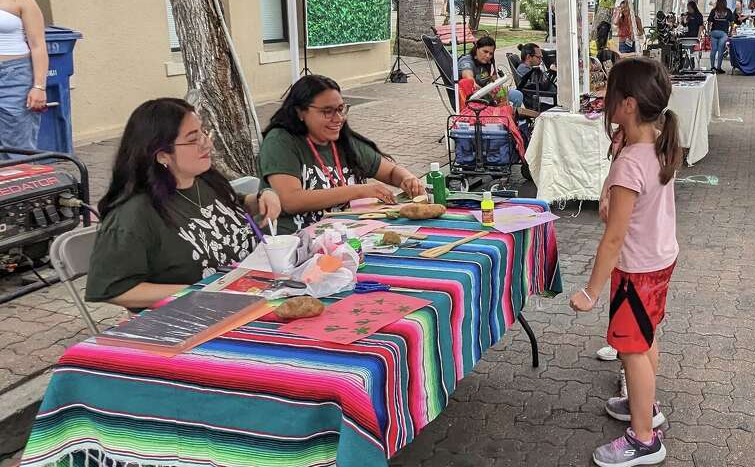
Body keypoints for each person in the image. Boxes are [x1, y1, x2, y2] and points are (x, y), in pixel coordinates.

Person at [568, 57, 681, 467]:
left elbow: (613, 238)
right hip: (660, 260)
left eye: (610, 92)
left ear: (629, 104)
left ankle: (644, 438)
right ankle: (643, 405)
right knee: (645, 339)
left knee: (632, 349)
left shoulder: (631, 162)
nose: (603, 98)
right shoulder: (657, 144)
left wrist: (591, 291)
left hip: (636, 271)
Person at [86, 98, 282, 309]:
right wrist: (197, 292)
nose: (207, 144)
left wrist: (264, 196)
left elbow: (235, 205)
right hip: (193, 314)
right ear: (162, 155)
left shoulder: (204, 180)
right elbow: (113, 289)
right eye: (193, 139)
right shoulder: (133, 214)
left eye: (204, 133)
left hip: (248, 297)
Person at [259, 74, 425, 233]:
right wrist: (359, 191)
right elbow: (290, 201)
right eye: (327, 111)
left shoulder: (344, 142)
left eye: (340, 109)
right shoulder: (280, 141)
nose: (338, 118)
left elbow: (391, 171)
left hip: (346, 235)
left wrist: (407, 179)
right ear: (300, 112)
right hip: (294, 241)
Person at [0, 0, 49, 157]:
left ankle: (20, 178)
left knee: (17, 147)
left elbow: (38, 45)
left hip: (14, 76)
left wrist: (39, 86)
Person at [457, 35, 523, 107]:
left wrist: (494, 82)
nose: (488, 56)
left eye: (491, 53)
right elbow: (469, 79)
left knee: (518, 95)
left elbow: (490, 79)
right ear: (477, 48)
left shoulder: (486, 62)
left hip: (489, 91)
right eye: (485, 51)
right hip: (475, 98)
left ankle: (514, 113)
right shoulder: (466, 61)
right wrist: (488, 93)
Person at [514, 42, 555, 114]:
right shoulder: (524, 69)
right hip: (540, 102)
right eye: (538, 57)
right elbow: (539, 86)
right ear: (529, 57)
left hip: (543, 97)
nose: (541, 60)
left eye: (541, 57)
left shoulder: (529, 68)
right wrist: (551, 72)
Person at [707, 0, 737, 74]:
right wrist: (730, 32)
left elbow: (709, 22)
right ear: (725, 2)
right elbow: (732, 23)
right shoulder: (728, 11)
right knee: (720, 50)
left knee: (713, 50)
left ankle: (712, 67)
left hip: (714, 32)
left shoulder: (713, 10)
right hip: (723, 33)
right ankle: (718, 68)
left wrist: (708, 31)